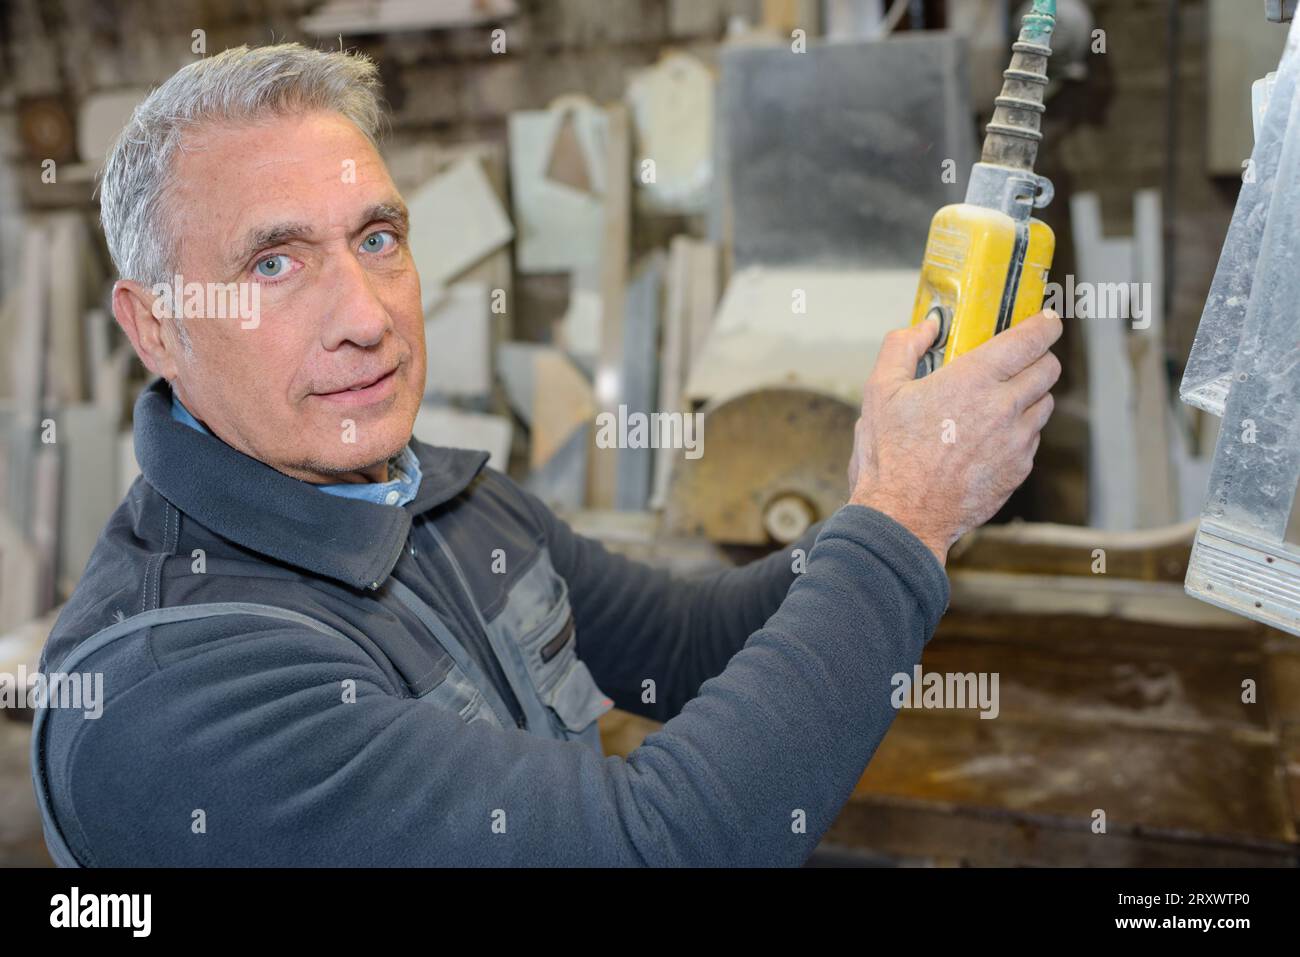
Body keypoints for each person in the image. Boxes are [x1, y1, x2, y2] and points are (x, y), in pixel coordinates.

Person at [32, 43, 1061, 866]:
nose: (364, 315)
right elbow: (655, 848)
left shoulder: (434, 498)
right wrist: (899, 521)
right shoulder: (172, 692)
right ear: (156, 326)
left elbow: (683, 648)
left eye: (379, 239)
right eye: (274, 261)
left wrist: (913, 494)